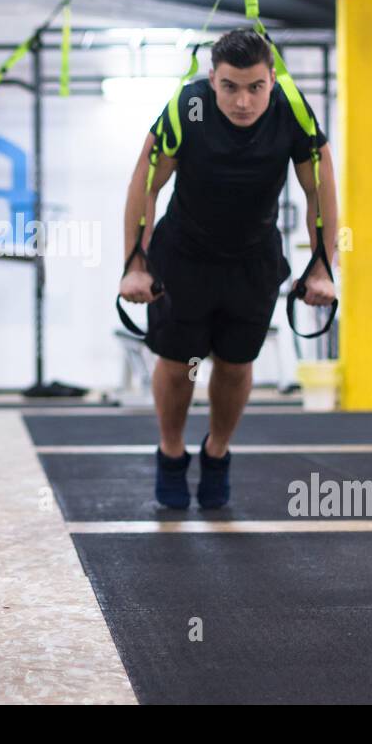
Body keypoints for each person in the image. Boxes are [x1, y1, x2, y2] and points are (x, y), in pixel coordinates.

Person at [118, 29, 338, 510]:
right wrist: (135, 262)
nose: (243, 101)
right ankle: (171, 453)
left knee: (237, 365)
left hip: (252, 259)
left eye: (255, 87)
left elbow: (319, 187)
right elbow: (145, 184)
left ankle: (217, 452)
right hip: (183, 257)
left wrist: (322, 266)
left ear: (272, 80)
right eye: (230, 87)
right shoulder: (187, 108)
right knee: (179, 365)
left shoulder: (293, 110)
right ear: (212, 79)